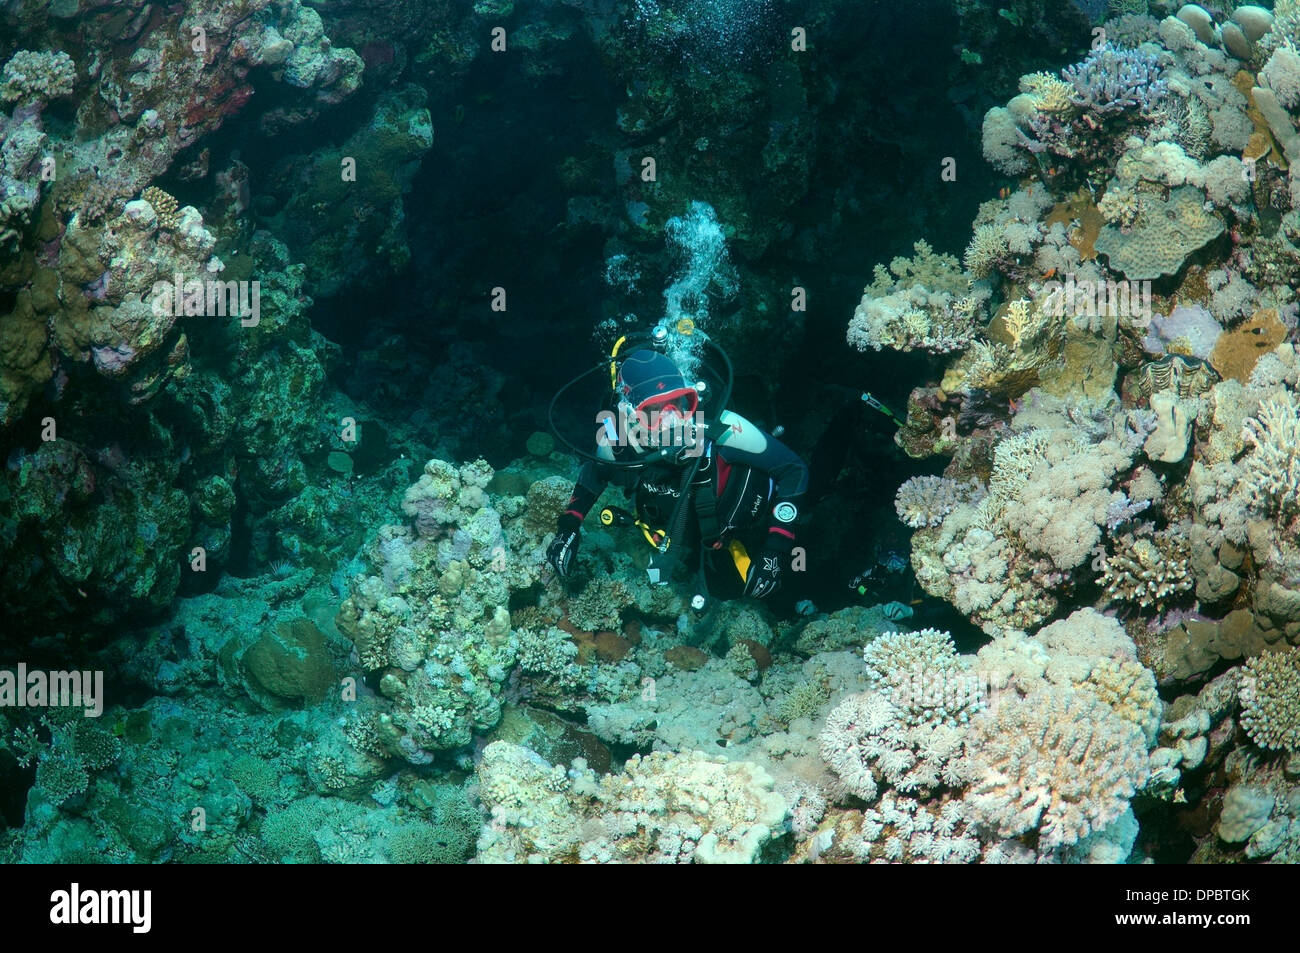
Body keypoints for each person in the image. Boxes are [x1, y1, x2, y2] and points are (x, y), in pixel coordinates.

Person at [546, 346, 809, 600]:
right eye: (654, 411)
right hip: (697, 539)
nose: (673, 421)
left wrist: (776, 548)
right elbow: (595, 473)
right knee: (722, 588)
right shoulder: (616, 438)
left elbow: (793, 469)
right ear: (629, 414)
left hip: (758, 521)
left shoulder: (719, 426)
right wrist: (568, 528)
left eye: (680, 403)